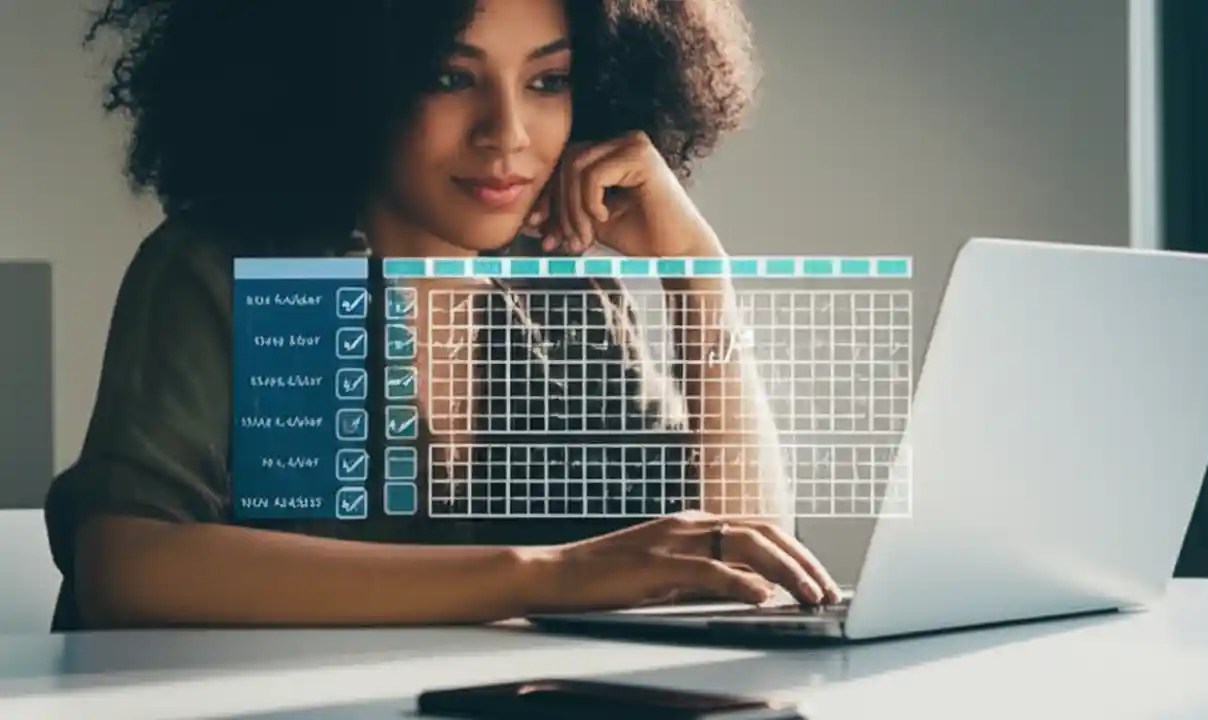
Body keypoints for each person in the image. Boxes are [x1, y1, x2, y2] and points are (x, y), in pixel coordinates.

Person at [45, 0, 841, 631]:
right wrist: (543, 576)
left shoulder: (558, 291)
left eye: (547, 81)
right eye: (451, 78)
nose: (507, 134)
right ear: (351, 83)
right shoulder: (219, 267)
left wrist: (700, 279)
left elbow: (743, 564)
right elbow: (125, 566)